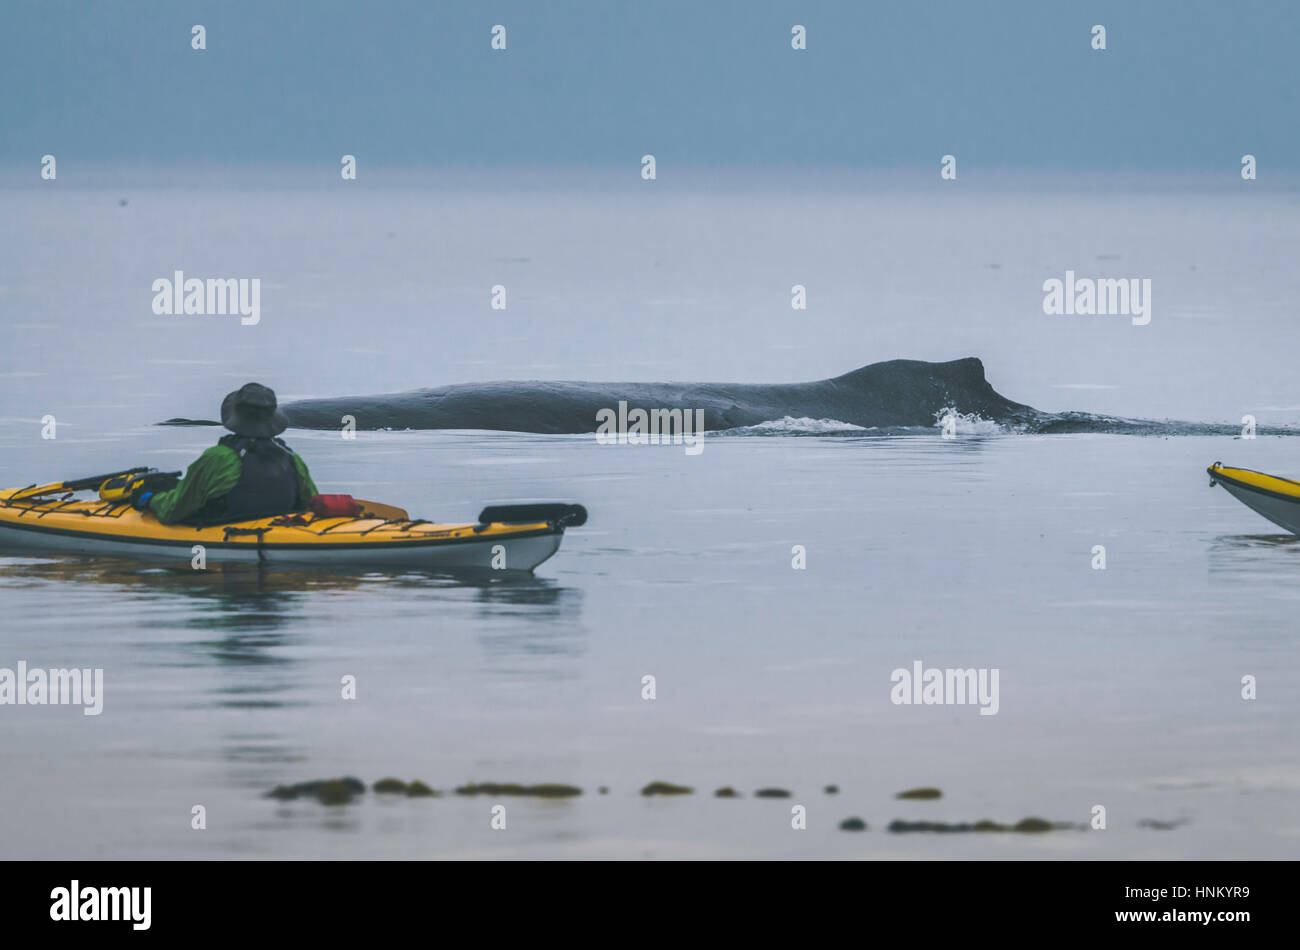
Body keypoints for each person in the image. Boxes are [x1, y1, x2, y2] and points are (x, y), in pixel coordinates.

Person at [135, 383, 318, 525]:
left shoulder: (218, 458)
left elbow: (172, 510)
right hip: (283, 530)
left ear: (235, 417)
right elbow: (312, 503)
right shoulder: (291, 458)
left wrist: (150, 498)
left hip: (228, 530)